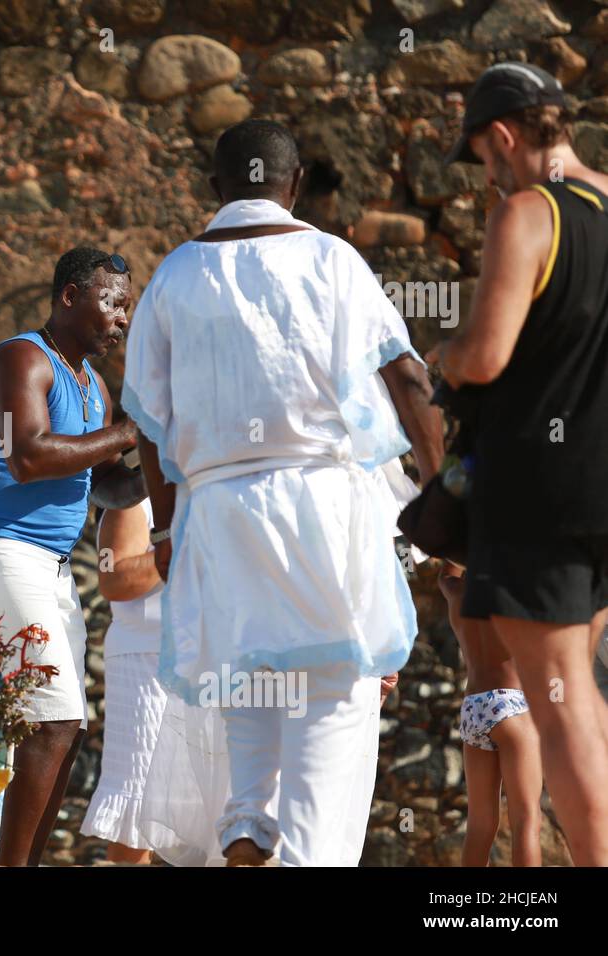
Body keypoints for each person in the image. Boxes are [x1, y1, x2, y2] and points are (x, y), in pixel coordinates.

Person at [124, 119, 443, 866]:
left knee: (253, 724)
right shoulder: (331, 259)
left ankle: (247, 838)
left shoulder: (172, 276)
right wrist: (444, 493)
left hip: (218, 519)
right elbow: (407, 378)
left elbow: (144, 420)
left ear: (215, 187)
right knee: (331, 715)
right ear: (295, 186)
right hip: (320, 509)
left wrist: (166, 533)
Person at [431, 61, 608, 865]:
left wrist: (446, 352)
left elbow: (487, 354)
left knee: (560, 701)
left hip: (543, 488)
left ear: (504, 136)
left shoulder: (530, 212)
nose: (488, 179)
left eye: (486, 159)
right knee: (586, 695)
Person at [0, 246, 145, 866]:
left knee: (66, 728)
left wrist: (172, 466)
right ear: (69, 297)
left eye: (126, 308)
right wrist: (131, 431)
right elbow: (27, 457)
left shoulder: (93, 385)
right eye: (111, 303)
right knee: (53, 722)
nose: (121, 320)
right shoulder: (20, 359)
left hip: (50, 566)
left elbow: (106, 481)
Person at [79, 497, 165, 864]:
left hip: (209, 665)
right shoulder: (135, 495)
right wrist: (190, 536)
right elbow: (116, 579)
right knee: (137, 815)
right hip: (146, 669)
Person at [438, 566, 542, 866]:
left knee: (480, 824)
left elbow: (447, 567)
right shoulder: (513, 591)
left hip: (473, 708)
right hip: (512, 705)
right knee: (527, 819)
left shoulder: (456, 592)